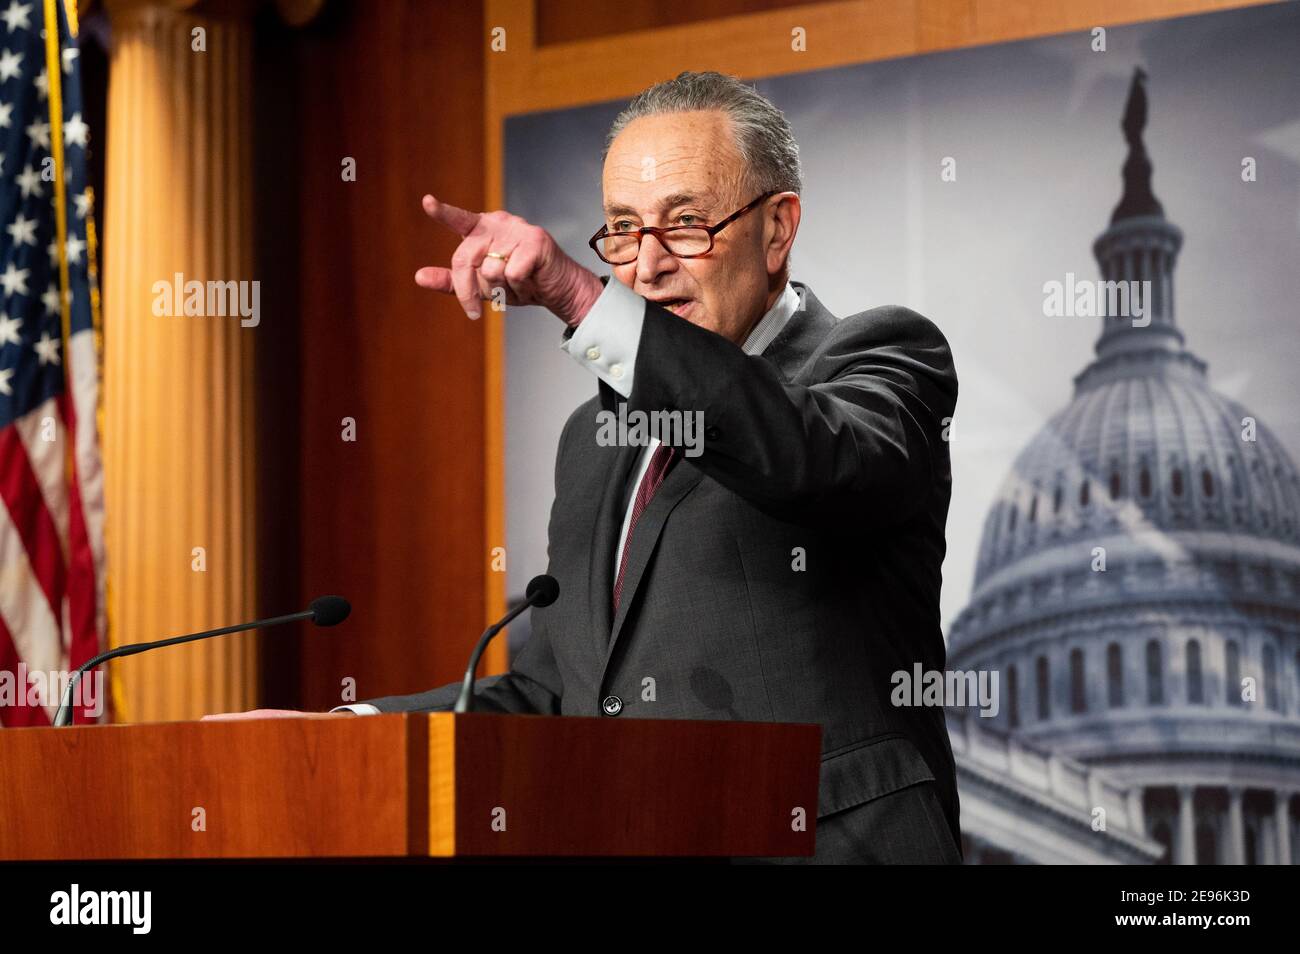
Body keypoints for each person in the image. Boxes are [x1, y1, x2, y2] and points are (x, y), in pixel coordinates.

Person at [206, 70, 961, 864]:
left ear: (778, 229)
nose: (646, 265)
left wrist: (577, 294)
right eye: (623, 230)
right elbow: (557, 692)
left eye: (686, 224)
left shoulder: (880, 359)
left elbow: (807, 458)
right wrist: (344, 737)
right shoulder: (592, 440)